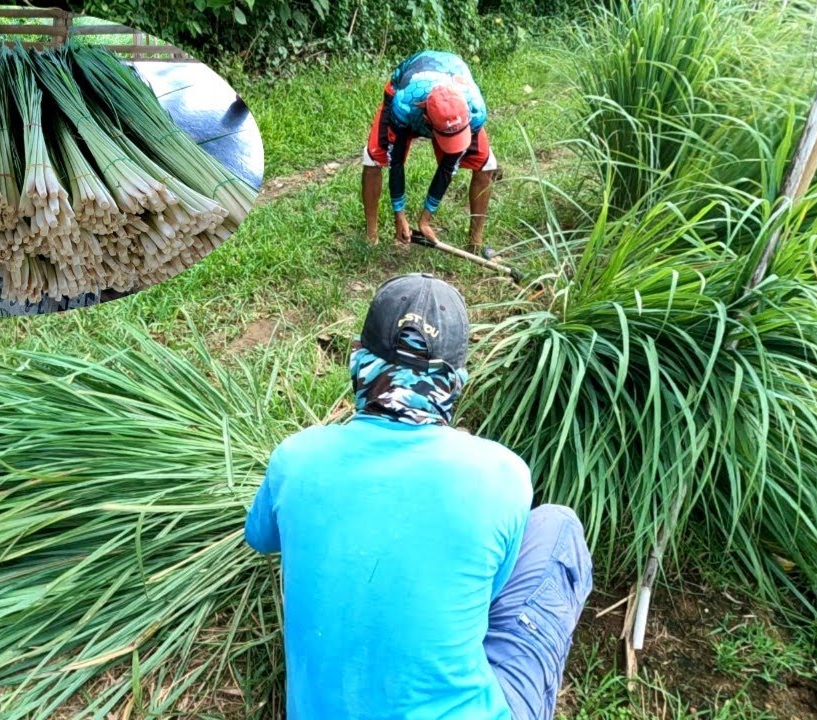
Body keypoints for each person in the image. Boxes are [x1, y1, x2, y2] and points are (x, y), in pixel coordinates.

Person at [244, 273, 593, 720]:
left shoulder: (295, 458)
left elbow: (260, 539)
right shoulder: (502, 473)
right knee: (558, 523)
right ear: (457, 381)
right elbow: (493, 591)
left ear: (357, 360)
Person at [361, 51, 497, 251]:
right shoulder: (403, 105)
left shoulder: (475, 111)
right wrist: (399, 213)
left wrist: (425, 218)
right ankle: (371, 237)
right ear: (426, 121)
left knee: (486, 164)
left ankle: (476, 241)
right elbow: (395, 161)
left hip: (454, 91)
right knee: (373, 158)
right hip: (406, 89)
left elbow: (449, 166)